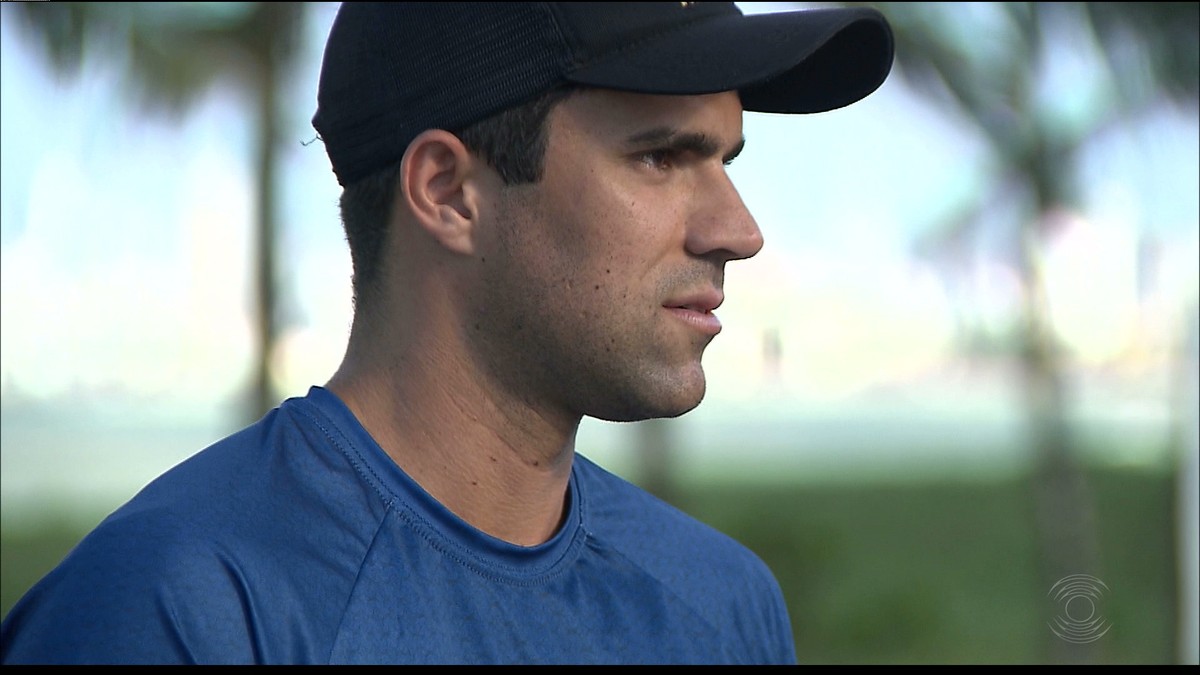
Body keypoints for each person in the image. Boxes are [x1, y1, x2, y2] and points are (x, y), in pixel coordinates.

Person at [1, 2, 893, 665]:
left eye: (726, 161)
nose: (738, 230)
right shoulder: (183, 609)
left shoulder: (722, 605)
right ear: (447, 192)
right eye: (661, 156)